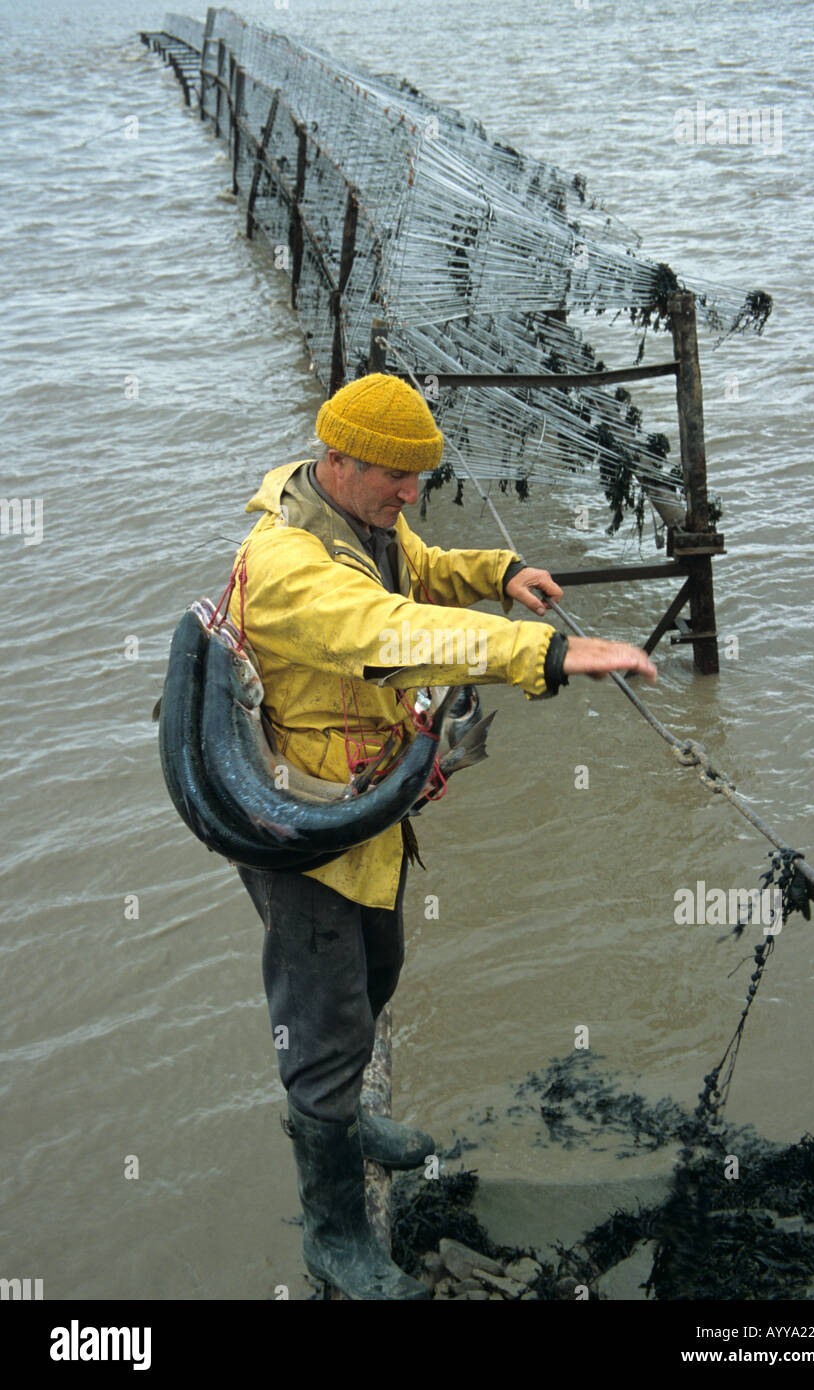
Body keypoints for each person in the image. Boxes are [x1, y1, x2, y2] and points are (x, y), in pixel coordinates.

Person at [229, 373, 656, 1300]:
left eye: (421, 476)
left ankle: (347, 1118)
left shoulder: (360, 522)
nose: (411, 493)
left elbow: (417, 570)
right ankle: (334, 1232)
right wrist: (546, 652)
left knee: (378, 973)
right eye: (396, 475)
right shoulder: (290, 566)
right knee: (323, 1024)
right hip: (300, 828)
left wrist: (497, 574)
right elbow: (393, 631)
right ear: (336, 458)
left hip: (366, 814)